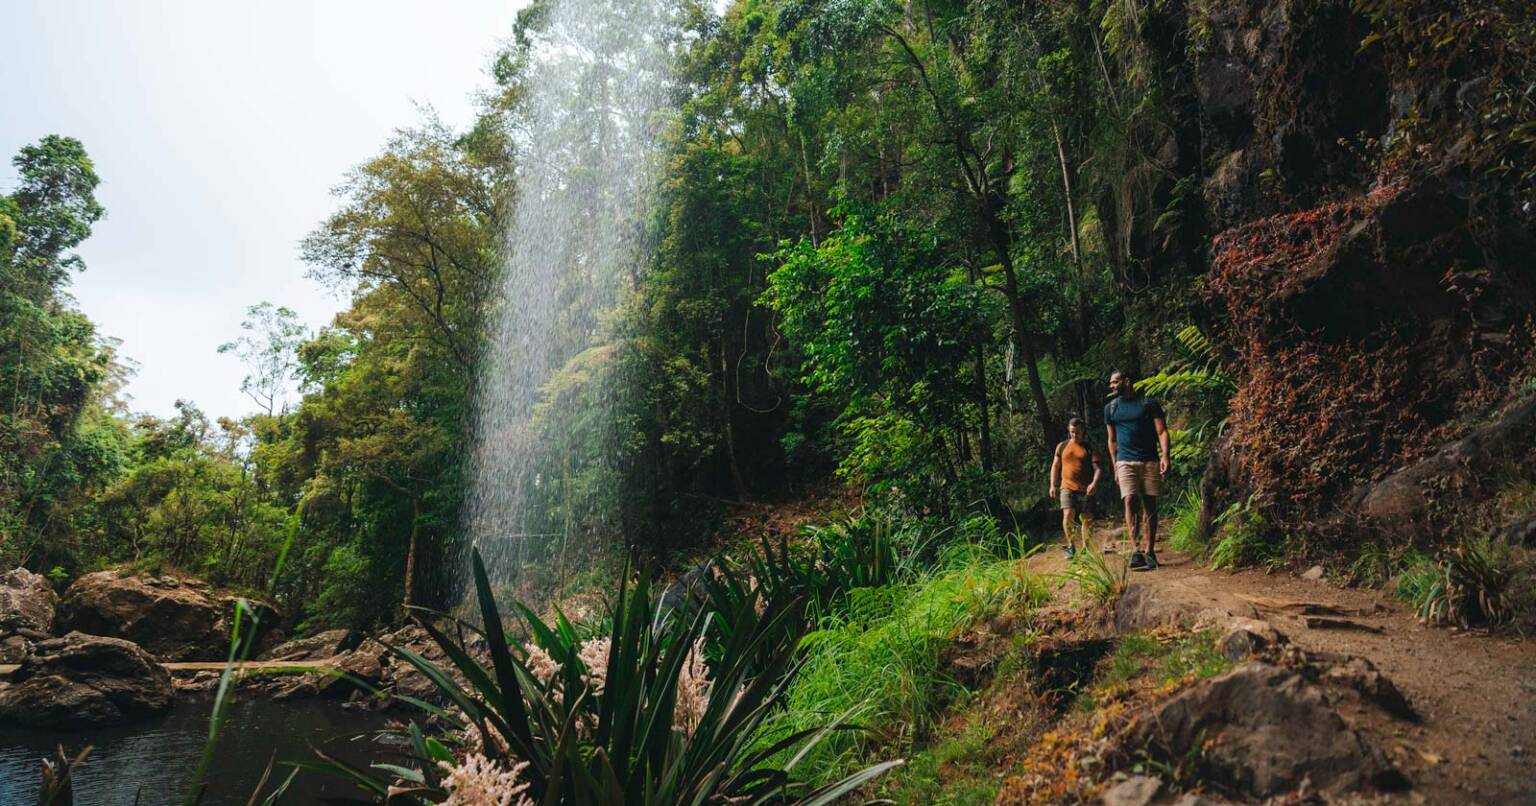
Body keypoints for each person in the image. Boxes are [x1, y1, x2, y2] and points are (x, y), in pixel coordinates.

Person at [1105, 369, 1170, 571]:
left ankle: (1149, 551)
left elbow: (1162, 431)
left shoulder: (1149, 404)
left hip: (1149, 460)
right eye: (1111, 383)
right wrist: (1115, 465)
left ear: (1127, 381)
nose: (1112, 386)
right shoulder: (1111, 408)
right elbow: (1112, 440)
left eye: (1115, 382)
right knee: (1129, 500)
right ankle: (1135, 550)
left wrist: (1165, 456)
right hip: (1125, 462)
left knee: (1150, 504)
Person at [1049, 417, 1103, 559]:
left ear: (1083, 431)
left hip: (1086, 488)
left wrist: (1094, 483)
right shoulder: (1062, 446)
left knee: (1087, 518)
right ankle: (1071, 546)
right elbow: (1055, 466)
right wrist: (1052, 485)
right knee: (1068, 515)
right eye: (1072, 432)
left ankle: (1086, 547)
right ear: (1069, 431)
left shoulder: (1089, 448)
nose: (1075, 435)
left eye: (1077, 432)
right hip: (1066, 486)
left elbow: (1098, 469)